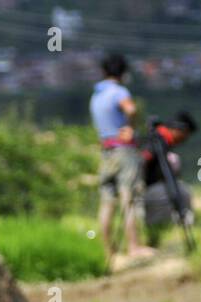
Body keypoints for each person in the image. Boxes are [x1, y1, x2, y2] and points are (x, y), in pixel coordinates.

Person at [90, 52, 148, 261]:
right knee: (128, 199)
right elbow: (131, 110)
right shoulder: (119, 91)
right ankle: (134, 247)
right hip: (124, 150)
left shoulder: (96, 95)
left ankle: (108, 252)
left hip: (106, 152)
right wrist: (131, 128)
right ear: (123, 72)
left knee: (107, 202)